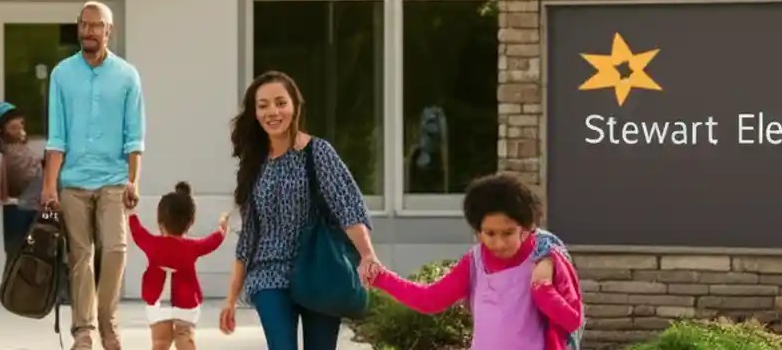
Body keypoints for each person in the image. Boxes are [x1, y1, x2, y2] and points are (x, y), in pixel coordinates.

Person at [220, 70, 379, 350]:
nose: (273, 111)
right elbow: (249, 236)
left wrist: (367, 255)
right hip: (268, 272)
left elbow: (348, 206)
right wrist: (231, 298)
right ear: (254, 113)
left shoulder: (317, 152)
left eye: (281, 103)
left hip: (319, 268)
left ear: (295, 106)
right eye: (263, 105)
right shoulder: (253, 162)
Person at [364, 173, 585, 350]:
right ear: (477, 231)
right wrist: (381, 278)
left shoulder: (545, 258)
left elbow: (572, 321)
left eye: (508, 233)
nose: (498, 243)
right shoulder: (475, 261)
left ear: (525, 229)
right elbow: (430, 299)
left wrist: (543, 289)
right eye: (489, 233)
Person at [42, 0, 146, 350]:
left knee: (115, 249)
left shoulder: (128, 75)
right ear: (78, 28)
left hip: (115, 178)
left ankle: (108, 322)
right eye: (84, 24)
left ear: (108, 31)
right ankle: (84, 331)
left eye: (96, 25)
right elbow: (56, 136)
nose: (89, 31)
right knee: (80, 256)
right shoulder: (61, 74)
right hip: (72, 181)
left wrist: (135, 179)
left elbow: (135, 136)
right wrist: (49, 187)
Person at [128, 182, 229, 350]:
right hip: (186, 303)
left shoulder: (153, 244)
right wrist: (221, 229)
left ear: (159, 220)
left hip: (158, 303)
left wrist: (131, 210)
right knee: (185, 338)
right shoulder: (191, 248)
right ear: (190, 222)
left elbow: (137, 232)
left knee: (160, 343)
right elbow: (211, 243)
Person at [0, 101, 42, 254]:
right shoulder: (5, 152)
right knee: (17, 253)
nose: (19, 130)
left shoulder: (23, 147)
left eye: (20, 125)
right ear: (4, 130)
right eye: (13, 127)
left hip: (33, 206)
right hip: (17, 209)